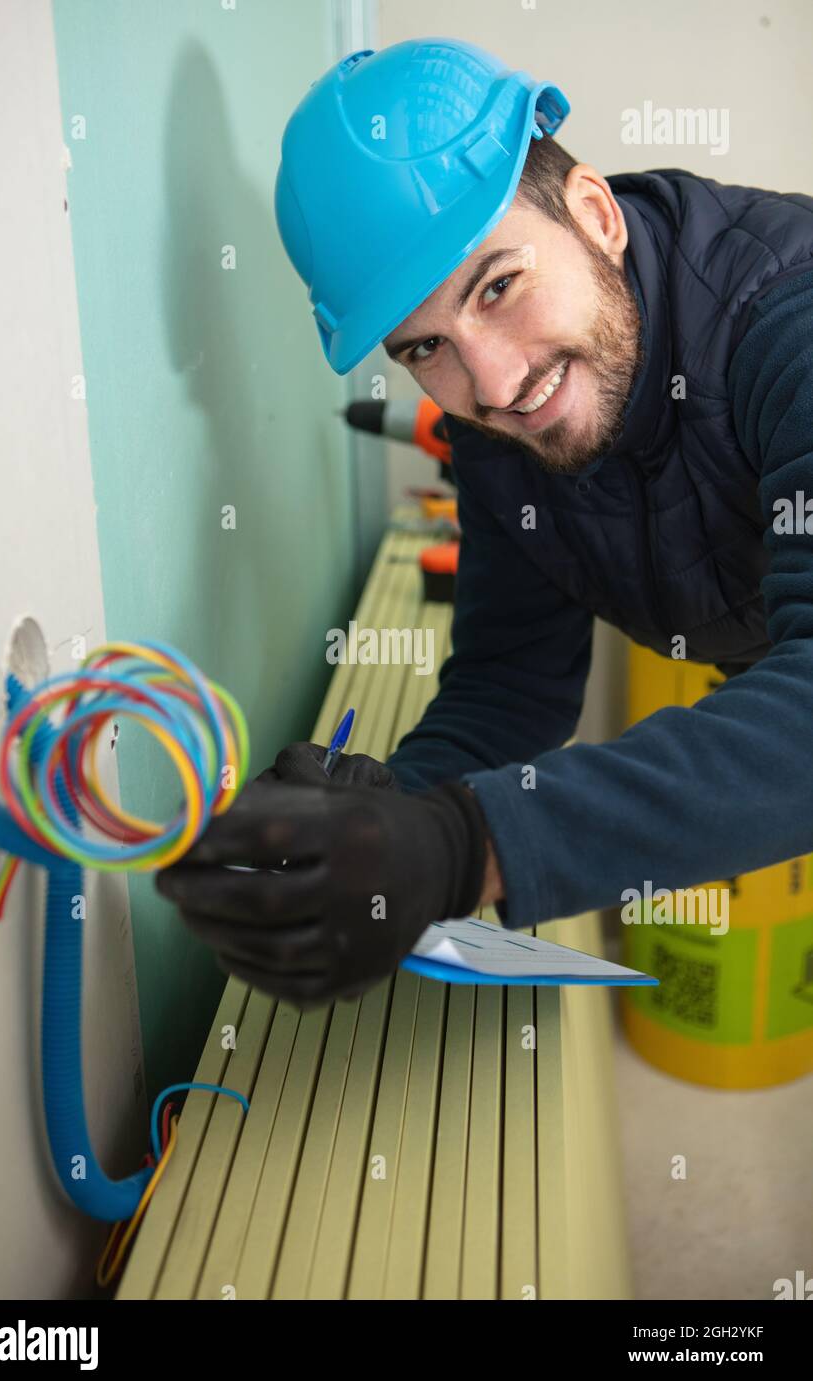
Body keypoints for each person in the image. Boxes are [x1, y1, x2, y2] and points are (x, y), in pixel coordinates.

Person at [156, 37, 813, 1007]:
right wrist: (388, 820)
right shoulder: (495, 420)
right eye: (425, 346)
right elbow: (511, 681)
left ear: (592, 213)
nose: (496, 386)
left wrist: (470, 847)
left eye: (497, 286)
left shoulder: (784, 329)